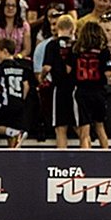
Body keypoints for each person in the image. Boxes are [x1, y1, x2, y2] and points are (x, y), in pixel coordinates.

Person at [70, 22, 111, 149]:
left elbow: (68, 70)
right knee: (100, 127)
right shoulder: (104, 51)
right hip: (99, 92)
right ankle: (107, 157)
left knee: (85, 131)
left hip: (82, 92)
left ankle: (85, 159)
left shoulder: (76, 50)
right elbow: (108, 73)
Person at [0, 38, 32, 147]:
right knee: (11, 133)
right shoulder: (20, 66)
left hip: (6, 103)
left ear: (5, 51)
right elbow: (26, 85)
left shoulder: (2, 66)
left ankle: (16, 133)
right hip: (19, 103)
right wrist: (21, 98)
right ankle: (12, 155)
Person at [41, 13, 76, 148]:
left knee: (61, 128)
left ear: (57, 27)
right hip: (75, 89)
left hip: (59, 89)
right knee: (81, 128)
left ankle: (62, 160)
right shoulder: (76, 45)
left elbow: (47, 67)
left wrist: (41, 77)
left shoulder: (52, 45)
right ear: (73, 29)